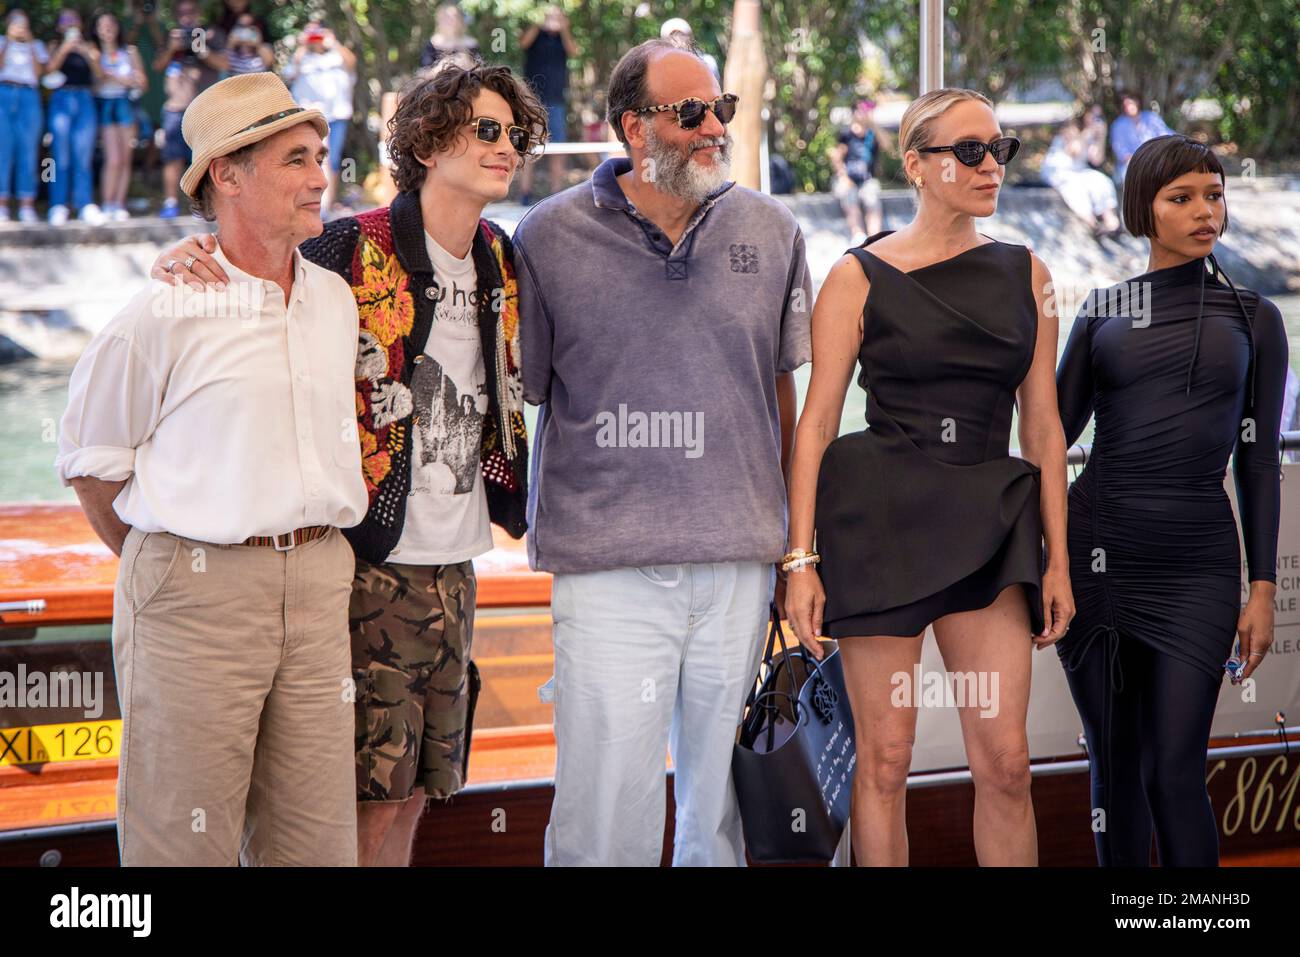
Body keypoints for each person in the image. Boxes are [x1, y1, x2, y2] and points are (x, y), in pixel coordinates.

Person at [147, 62, 544, 867]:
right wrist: (184, 257)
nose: (507, 148)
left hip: (457, 559)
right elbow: (259, 270)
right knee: (362, 803)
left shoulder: (503, 256)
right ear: (430, 143)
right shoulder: (350, 247)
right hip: (370, 563)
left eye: (515, 134)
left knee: (419, 794)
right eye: (487, 130)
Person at [55, 72, 367, 866]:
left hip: (321, 584)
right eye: (296, 159)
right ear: (227, 174)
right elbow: (91, 466)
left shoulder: (334, 297)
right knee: (179, 849)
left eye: (320, 155)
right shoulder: (164, 307)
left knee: (318, 847)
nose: (319, 176)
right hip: (195, 595)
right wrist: (171, 573)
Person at [514, 37, 813, 866]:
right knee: (605, 812)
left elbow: (781, 393)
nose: (714, 126)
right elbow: (526, 392)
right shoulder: (547, 237)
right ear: (630, 129)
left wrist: (795, 553)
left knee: (717, 818)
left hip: (739, 565)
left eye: (722, 109)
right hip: (608, 568)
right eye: (691, 113)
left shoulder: (773, 228)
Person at [783, 87, 1074, 866]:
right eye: (969, 151)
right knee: (884, 761)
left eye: (999, 149)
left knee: (1007, 763)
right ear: (915, 164)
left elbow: (1042, 425)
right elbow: (815, 426)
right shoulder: (857, 275)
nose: (991, 166)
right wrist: (800, 560)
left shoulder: (1028, 274)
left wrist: (1060, 557)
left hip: (992, 521)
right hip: (878, 522)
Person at [1054, 134, 1287, 866]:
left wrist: (1263, 587)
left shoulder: (1256, 317)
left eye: (1213, 194)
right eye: (1181, 197)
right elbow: (1051, 438)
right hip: (1098, 558)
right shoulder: (1103, 307)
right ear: (1142, 210)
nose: (1203, 211)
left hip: (1197, 569)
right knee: (1115, 771)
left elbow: (1259, 461)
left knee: (1175, 770)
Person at [153, 0, 227, 218]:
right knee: (172, 157)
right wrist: (171, 48)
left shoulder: (211, 34)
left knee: (205, 159)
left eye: (191, 12)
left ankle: (202, 206)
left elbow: (223, 63)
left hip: (206, 108)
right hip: (176, 108)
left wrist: (201, 49)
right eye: (182, 12)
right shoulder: (171, 35)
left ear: (199, 13)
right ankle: (170, 203)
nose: (186, 16)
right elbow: (157, 66)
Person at [283, 19, 356, 215]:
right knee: (310, 161)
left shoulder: (337, 56)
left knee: (332, 161)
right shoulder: (302, 58)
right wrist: (302, 45)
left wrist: (333, 42)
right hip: (309, 118)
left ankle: (326, 207)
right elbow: (289, 75)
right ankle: (308, 205)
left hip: (337, 116)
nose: (316, 37)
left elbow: (352, 63)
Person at [46, 8, 103, 224]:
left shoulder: (89, 47)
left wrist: (85, 51)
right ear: (60, 26)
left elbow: (99, 74)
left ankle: (84, 203)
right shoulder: (54, 46)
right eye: (65, 20)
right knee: (58, 155)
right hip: (61, 99)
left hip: (85, 99)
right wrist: (65, 48)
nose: (70, 23)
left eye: (73, 19)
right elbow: (48, 70)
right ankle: (57, 204)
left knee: (83, 155)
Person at [517, 5, 576, 205]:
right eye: (550, 16)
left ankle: (556, 192)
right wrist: (538, 23)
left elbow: (573, 51)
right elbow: (523, 44)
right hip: (532, 99)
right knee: (529, 143)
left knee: (558, 146)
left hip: (556, 98)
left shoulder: (562, 37)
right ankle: (525, 192)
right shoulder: (536, 33)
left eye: (557, 16)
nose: (553, 19)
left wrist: (564, 28)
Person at [92, 11, 146, 221]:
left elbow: (142, 83)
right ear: (96, 30)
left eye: (111, 24)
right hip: (106, 104)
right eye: (102, 25)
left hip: (125, 104)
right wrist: (115, 77)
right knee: (112, 158)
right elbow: (95, 85)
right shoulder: (94, 53)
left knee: (125, 157)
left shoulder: (129, 52)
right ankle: (107, 202)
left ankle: (119, 204)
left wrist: (123, 78)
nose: (107, 29)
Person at [0, 9, 47, 223]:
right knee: (3, 150)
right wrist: (8, 42)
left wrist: (29, 44)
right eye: (16, 23)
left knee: (28, 151)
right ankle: (2, 204)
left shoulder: (36, 46)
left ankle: (26, 204)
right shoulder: (2, 42)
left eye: (24, 23)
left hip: (29, 95)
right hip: (4, 92)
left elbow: (39, 73)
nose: (20, 27)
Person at [1041, 117, 1120, 238]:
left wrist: (1101, 136)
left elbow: (1097, 159)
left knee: (1101, 181)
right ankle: (1093, 224)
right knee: (1075, 189)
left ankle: (1110, 221)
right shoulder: (1066, 137)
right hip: (1060, 172)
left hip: (1079, 171)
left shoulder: (1088, 136)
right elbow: (1073, 150)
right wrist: (1087, 132)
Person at [830, 98, 885, 245]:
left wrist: (874, 125)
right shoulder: (846, 134)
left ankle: (876, 239)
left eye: (865, 111)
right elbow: (837, 156)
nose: (862, 114)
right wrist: (843, 176)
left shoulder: (872, 134)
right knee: (850, 198)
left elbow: (888, 146)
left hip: (867, 179)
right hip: (848, 178)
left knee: (872, 199)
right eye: (859, 110)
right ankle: (858, 235)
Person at [1109, 91, 1172, 185]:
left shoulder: (1151, 117)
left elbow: (1167, 135)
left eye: (1130, 103)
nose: (1129, 107)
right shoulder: (1118, 125)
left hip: (1156, 160)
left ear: (1137, 102)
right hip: (1132, 165)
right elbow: (1122, 153)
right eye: (1125, 105)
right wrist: (1141, 162)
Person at [419, 4, 478, 71]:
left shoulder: (471, 43)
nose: (449, 21)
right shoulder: (432, 45)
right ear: (438, 20)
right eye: (445, 18)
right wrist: (441, 67)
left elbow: (481, 72)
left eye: (453, 17)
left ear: (460, 20)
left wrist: (469, 64)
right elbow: (422, 75)